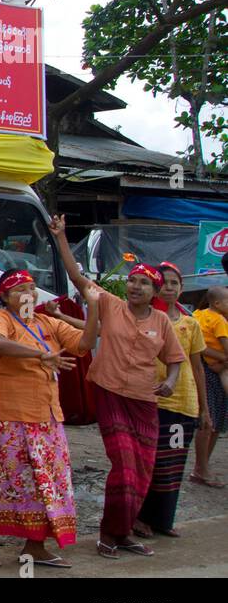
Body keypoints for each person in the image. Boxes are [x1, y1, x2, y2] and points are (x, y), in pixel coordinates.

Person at [49, 215, 184, 559]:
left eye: (144, 283)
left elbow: (175, 360)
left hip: (144, 402)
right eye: (133, 281)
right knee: (123, 466)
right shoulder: (110, 304)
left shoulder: (162, 323)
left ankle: (123, 532)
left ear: (155, 293)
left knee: (142, 471)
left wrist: (169, 382)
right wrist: (62, 237)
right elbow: (78, 278)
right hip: (109, 394)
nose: (136, 286)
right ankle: (108, 534)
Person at [0, 268, 98, 569]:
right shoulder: (0, 319)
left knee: (50, 480)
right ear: (4, 296)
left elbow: (84, 343)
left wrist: (93, 305)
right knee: (10, 478)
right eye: (20, 290)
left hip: (47, 414)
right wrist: (38, 355)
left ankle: (36, 546)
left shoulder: (47, 322)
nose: (29, 294)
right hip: (10, 414)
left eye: (32, 288)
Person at [135, 263, 209, 537]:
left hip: (183, 404)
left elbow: (197, 367)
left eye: (174, 283)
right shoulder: (144, 318)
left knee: (174, 462)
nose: (168, 287)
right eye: (164, 282)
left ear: (181, 288)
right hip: (151, 402)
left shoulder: (191, 323)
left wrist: (204, 409)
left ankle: (163, 520)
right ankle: (140, 518)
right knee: (149, 462)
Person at [192, 287, 228, 487]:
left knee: (216, 423)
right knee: (208, 421)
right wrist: (222, 359)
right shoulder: (217, 320)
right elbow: (198, 345)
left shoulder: (200, 315)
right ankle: (201, 468)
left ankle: (203, 467)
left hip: (212, 367)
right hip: (206, 371)